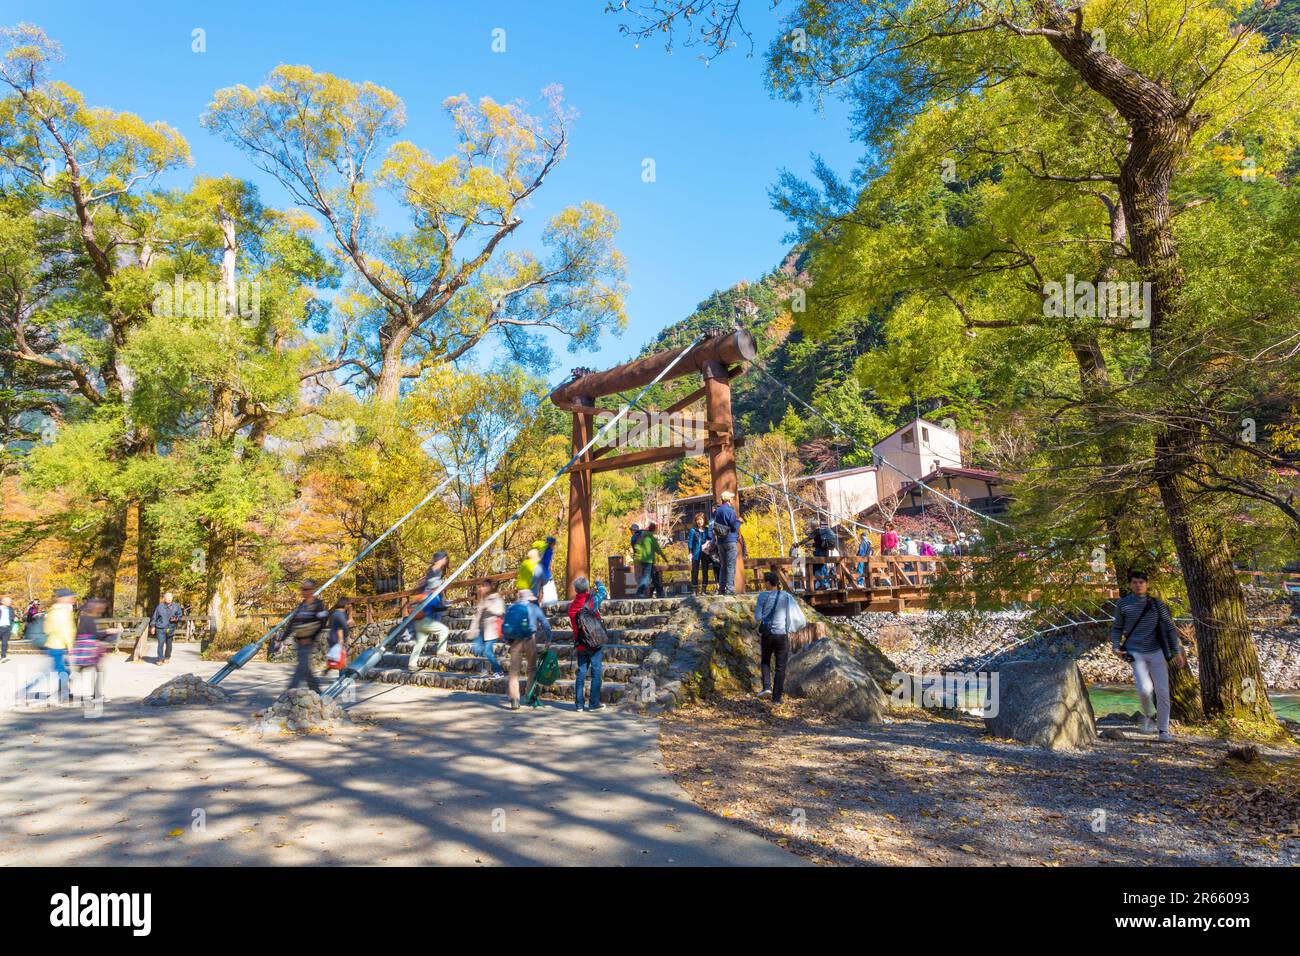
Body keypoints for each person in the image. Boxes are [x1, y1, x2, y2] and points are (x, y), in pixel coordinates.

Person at [1111, 570, 1185, 742]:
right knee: (1145, 689)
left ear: (1147, 584)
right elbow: (1117, 628)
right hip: (1134, 652)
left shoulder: (1157, 604)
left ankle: (1163, 732)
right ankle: (1149, 714)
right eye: (1135, 582)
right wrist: (1115, 646)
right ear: (1130, 584)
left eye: (1141, 582)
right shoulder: (1123, 604)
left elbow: (1169, 627)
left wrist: (1176, 651)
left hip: (1157, 651)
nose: (1138, 585)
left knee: (1163, 692)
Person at [754, 571, 804, 704]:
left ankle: (766, 687)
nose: (764, 584)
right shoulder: (786, 596)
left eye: (764, 581)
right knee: (780, 667)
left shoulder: (762, 596)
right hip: (781, 636)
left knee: (765, 661)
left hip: (767, 635)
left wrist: (766, 616)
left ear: (768, 583)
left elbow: (758, 617)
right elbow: (794, 616)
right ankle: (776, 698)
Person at [500, 588, 552, 711]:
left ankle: (514, 699)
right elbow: (545, 623)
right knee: (532, 668)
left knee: (514, 670)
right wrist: (548, 639)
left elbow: (506, 625)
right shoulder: (534, 608)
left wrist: (508, 641)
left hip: (515, 641)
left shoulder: (512, 608)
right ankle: (529, 695)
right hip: (530, 639)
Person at [24, 588, 75, 703]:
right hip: (58, 646)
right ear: (62, 598)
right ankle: (24, 691)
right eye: (70, 597)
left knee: (63, 671)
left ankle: (64, 693)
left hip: (56, 645)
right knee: (54, 672)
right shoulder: (61, 612)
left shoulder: (54, 610)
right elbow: (65, 630)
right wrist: (70, 646)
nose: (72, 599)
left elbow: (48, 628)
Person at [69, 596, 119, 703]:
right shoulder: (89, 619)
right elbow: (95, 635)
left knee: (79, 671)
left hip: (82, 649)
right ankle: (97, 694)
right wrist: (108, 631)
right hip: (89, 650)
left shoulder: (82, 618)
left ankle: (65, 691)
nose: (102, 611)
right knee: (99, 671)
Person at [568, 576, 606, 712]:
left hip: (580, 643)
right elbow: (604, 593)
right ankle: (593, 703)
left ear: (575, 590)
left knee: (581, 672)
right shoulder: (592, 600)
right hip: (594, 642)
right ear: (586, 588)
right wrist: (598, 582)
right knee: (596, 672)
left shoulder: (572, 607)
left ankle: (579, 705)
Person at [408, 552, 451, 670]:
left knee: (420, 642)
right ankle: (441, 651)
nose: (446, 561)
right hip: (425, 616)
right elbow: (436, 587)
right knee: (444, 630)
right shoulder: (434, 576)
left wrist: (442, 600)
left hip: (421, 617)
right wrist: (442, 597)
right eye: (444, 559)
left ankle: (412, 664)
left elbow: (434, 587)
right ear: (440, 559)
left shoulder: (433, 574)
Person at [285, 580, 328, 694]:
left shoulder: (318, 605)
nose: (303, 591)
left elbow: (322, 623)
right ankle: (318, 693)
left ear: (312, 590)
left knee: (301, 667)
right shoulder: (301, 605)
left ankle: (288, 693)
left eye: (305, 589)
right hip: (299, 641)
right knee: (304, 668)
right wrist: (282, 638)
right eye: (302, 589)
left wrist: (312, 637)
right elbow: (292, 622)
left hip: (308, 641)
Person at [467, 580, 506, 676]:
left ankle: (499, 671)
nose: (482, 588)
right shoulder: (482, 600)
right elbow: (478, 616)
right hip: (481, 630)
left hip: (492, 630)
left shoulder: (496, 598)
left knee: (488, 652)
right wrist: (472, 629)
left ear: (490, 587)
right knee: (477, 650)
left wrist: (489, 607)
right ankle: (484, 669)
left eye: (485, 586)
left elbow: (501, 611)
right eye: (482, 586)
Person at [711, 490, 742, 595]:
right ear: (729, 499)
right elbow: (733, 527)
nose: (732, 500)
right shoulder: (730, 511)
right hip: (730, 540)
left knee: (723, 566)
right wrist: (739, 522)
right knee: (730, 565)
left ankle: (721, 589)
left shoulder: (717, 511)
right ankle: (729, 589)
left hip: (720, 542)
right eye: (732, 498)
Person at [149, 591, 183, 666]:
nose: (169, 598)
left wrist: (176, 618)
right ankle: (160, 659)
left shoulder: (176, 606)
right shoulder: (159, 607)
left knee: (169, 644)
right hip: (160, 628)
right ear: (164, 598)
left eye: (170, 597)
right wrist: (153, 626)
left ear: (172, 598)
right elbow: (154, 617)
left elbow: (180, 616)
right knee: (160, 643)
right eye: (167, 597)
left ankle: (167, 657)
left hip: (171, 628)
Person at [634, 522, 667, 598]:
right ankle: (640, 592)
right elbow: (659, 550)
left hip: (641, 560)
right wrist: (665, 559)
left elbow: (637, 546)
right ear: (654, 530)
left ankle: (660, 592)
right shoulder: (652, 539)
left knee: (653, 577)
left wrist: (638, 556)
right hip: (649, 561)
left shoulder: (643, 536)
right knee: (646, 577)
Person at [326, 597, 352, 680]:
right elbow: (341, 627)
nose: (350, 605)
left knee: (337, 657)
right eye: (349, 604)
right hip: (338, 638)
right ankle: (342, 677)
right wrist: (341, 640)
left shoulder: (337, 613)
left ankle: (333, 671)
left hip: (334, 637)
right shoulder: (339, 614)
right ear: (345, 604)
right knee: (341, 657)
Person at [687, 512, 712, 594]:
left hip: (705, 553)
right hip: (696, 553)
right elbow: (690, 542)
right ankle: (694, 591)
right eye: (697, 520)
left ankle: (704, 590)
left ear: (704, 520)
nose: (699, 521)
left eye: (700, 519)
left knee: (705, 571)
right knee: (694, 572)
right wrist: (690, 552)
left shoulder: (707, 530)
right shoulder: (693, 530)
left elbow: (710, 540)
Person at [0, 594, 12, 662]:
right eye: (9, 601)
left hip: (7, 628)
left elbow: (12, 617)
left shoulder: (11, 609)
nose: (10, 602)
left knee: (5, 643)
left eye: (10, 601)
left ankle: (3, 657)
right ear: (3, 602)